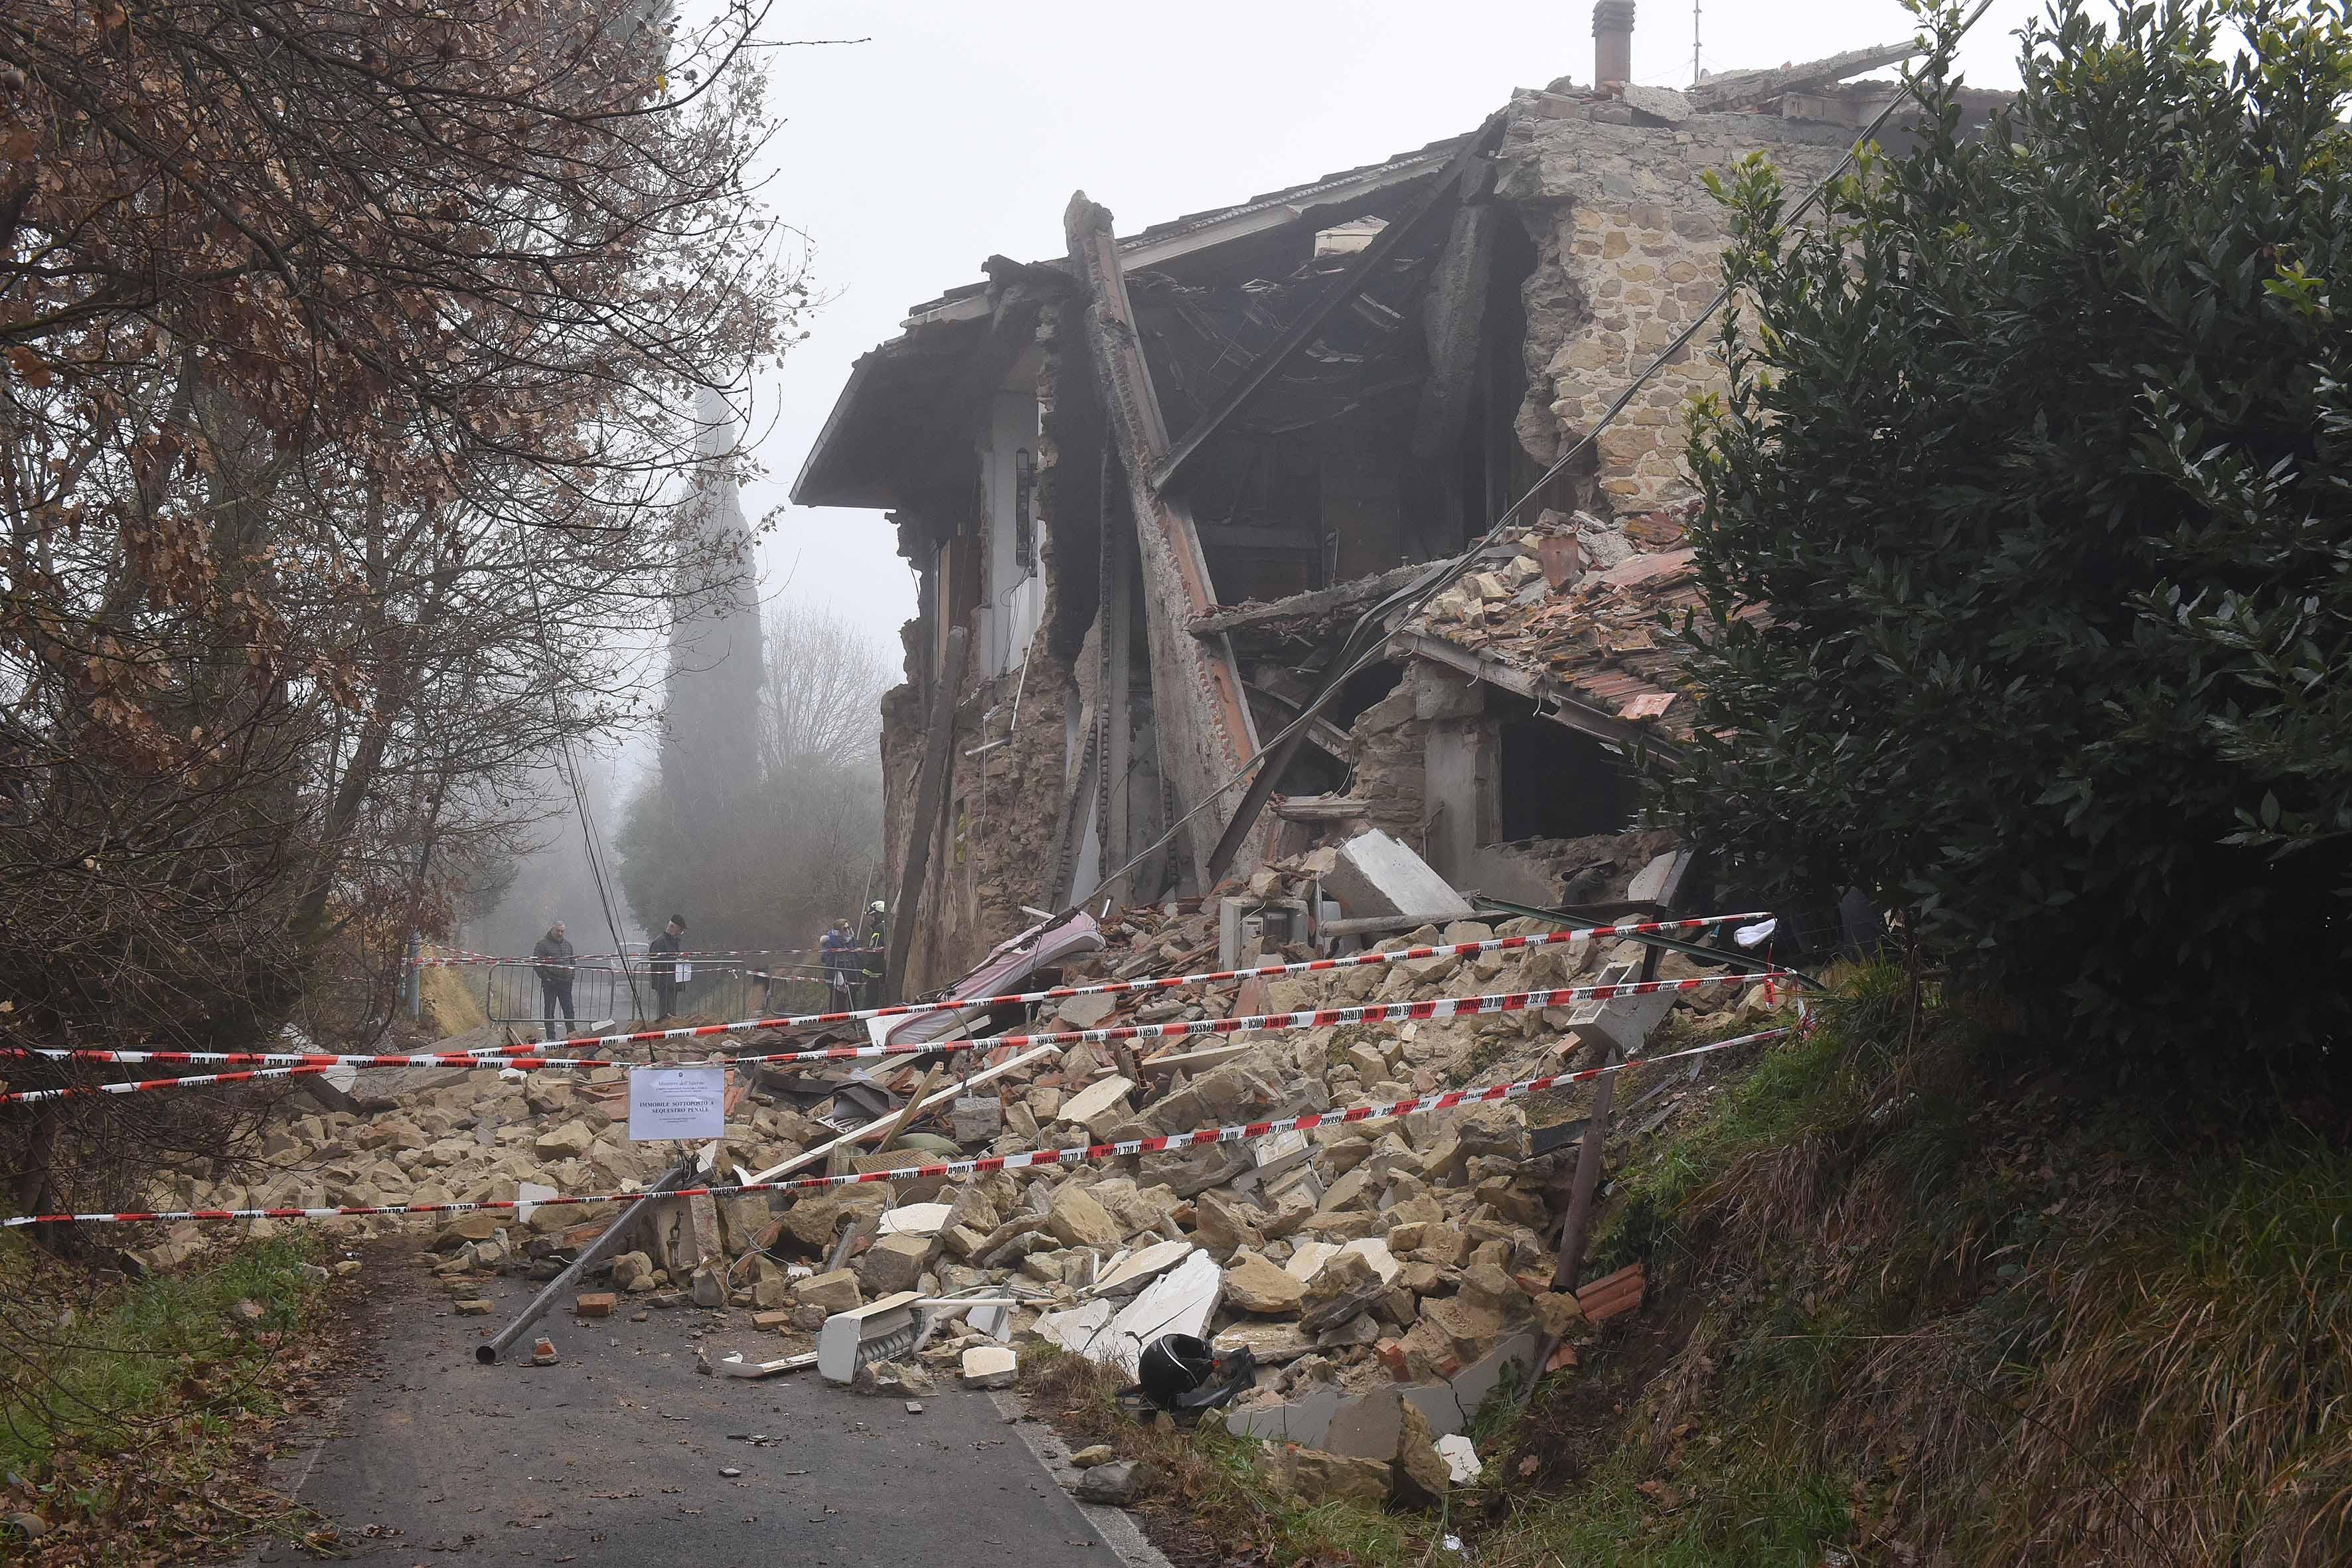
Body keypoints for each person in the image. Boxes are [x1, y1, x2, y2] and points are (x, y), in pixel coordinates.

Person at [532, 921, 577, 1042]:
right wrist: (546, 977)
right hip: (550, 983)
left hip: (566, 983)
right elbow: (537, 963)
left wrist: (572, 975)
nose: (561, 933)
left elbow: (573, 962)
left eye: (563, 931)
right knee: (550, 1010)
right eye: (558, 931)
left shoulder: (568, 945)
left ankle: (572, 1035)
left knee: (569, 1010)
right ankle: (551, 1038)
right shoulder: (542, 945)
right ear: (552, 930)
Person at [649, 915, 686, 1021]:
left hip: (672, 982)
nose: (680, 933)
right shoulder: (660, 942)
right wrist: (675, 962)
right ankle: (664, 1032)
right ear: (672, 927)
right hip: (664, 982)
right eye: (680, 930)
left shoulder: (672, 942)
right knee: (666, 1013)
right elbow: (656, 962)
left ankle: (669, 1032)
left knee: (672, 1012)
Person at [858, 900, 888, 1007]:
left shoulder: (879, 929)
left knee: (870, 1005)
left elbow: (874, 952)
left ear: (880, 915)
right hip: (882, 975)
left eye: (873, 916)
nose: (872, 919)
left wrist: (866, 972)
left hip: (875, 977)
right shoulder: (887, 927)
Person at [819, 918, 854, 1008]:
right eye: (845, 929)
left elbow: (856, 954)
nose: (847, 931)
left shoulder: (851, 939)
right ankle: (836, 1019)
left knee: (853, 999)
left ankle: (853, 1019)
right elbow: (825, 957)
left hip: (850, 971)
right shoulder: (830, 941)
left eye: (848, 928)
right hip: (836, 974)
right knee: (838, 999)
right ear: (839, 931)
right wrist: (836, 970)